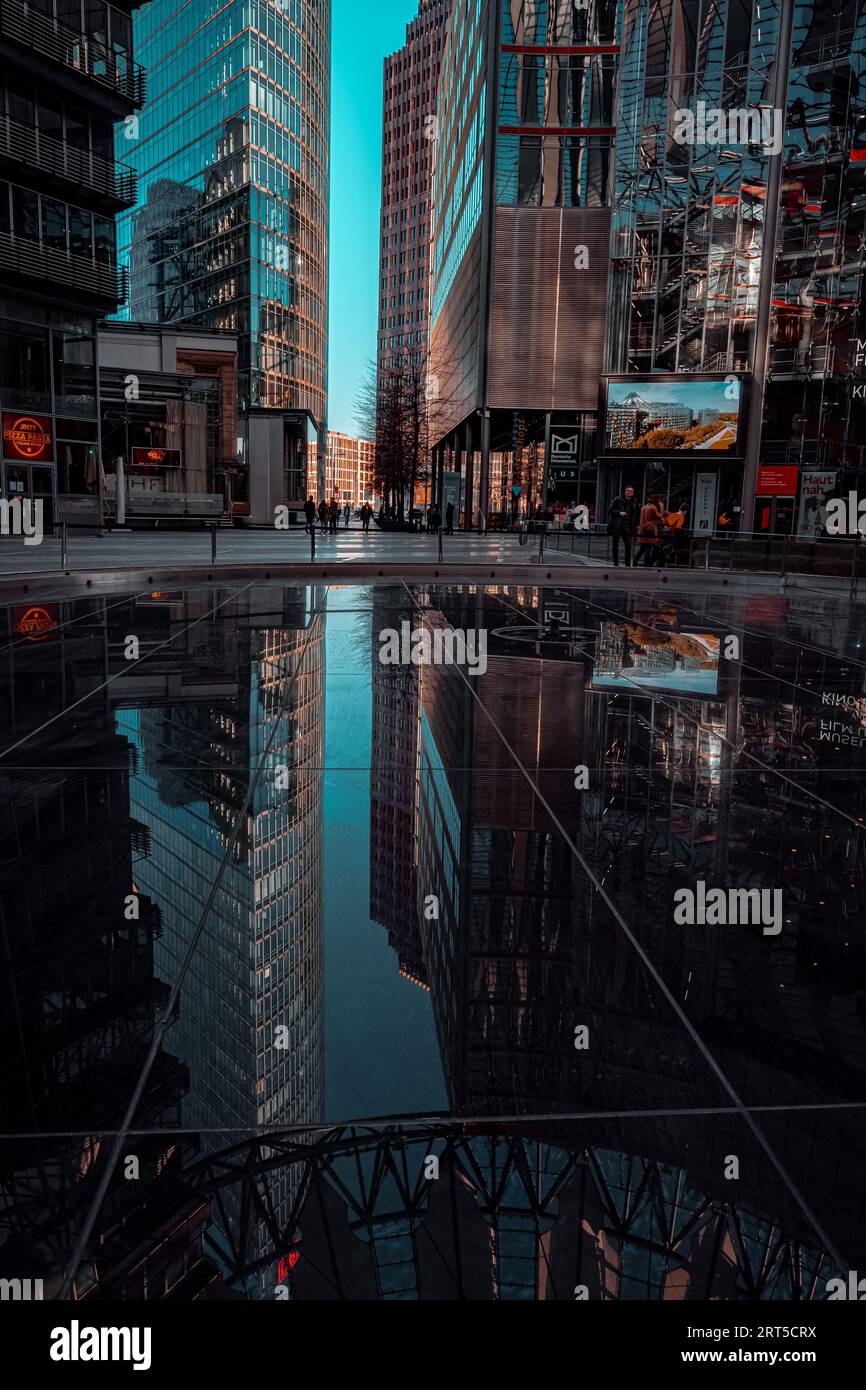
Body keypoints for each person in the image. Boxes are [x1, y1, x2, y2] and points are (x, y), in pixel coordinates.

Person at [607, 484, 640, 566]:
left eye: (631, 491)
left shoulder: (634, 501)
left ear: (633, 493)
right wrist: (619, 513)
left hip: (627, 526)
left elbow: (637, 513)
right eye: (628, 491)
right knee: (615, 545)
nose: (629, 492)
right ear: (625, 492)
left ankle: (627, 564)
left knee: (628, 545)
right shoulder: (617, 499)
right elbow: (610, 510)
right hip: (617, 526)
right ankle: (616, 563)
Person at [636, 494, 666, 566]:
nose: (660, 502)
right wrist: (661, 508)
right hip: (650, 531)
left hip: (643, 530)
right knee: (648, 549)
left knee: (642, 549)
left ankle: (634, 562)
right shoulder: (653, 508)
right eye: (659, 501)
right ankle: (646, 564)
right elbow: (660, 517)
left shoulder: (644, 507)